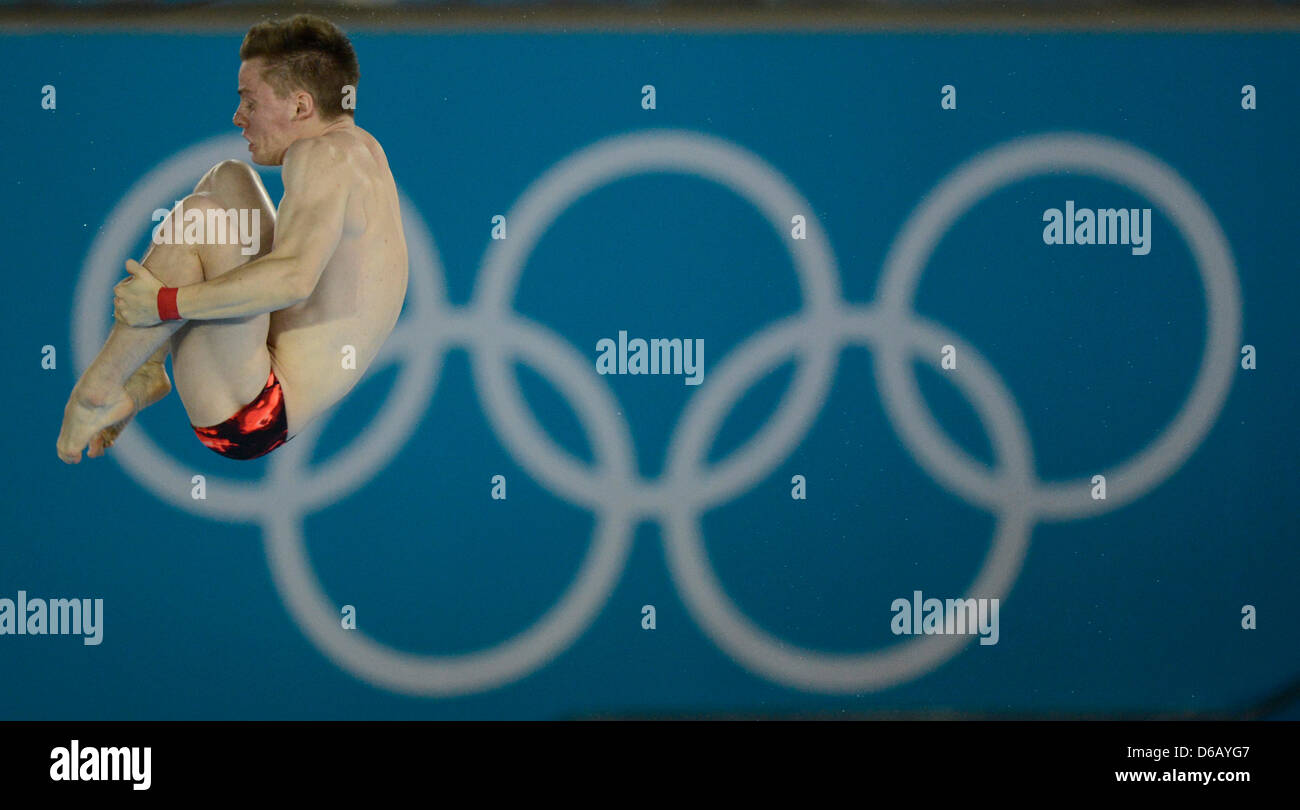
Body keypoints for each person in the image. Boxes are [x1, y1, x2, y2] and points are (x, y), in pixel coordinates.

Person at [57, 14, 407, 463]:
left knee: (203, 218)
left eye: (250, 102)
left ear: (301, 107)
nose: (238, 117)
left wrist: (164, 304)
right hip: (261, 376)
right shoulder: (361, 149)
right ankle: (145, 366)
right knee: (229, 179)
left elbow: (293, 279)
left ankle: (96, 393)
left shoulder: (320, 155)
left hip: (255, 412)